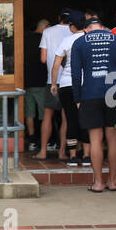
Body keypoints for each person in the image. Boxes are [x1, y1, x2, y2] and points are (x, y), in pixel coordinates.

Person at [70, 11, 116, 191]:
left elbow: (75, 73)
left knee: (95, 139)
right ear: (103, 27)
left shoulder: (79, 42)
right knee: (113, 138)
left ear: (86, 30)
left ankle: (98, 183)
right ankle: (113, 182)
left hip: (90, 93)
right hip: (114, 93)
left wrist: (77, 98)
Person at [35, 10, 74, 159]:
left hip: (52, 80)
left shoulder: (48, 31)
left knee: (47, 116)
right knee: (66, 118)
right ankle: (62, 152)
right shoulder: (73, 33)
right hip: (68, 80)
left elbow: (43, 59)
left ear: (59, 18)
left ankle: (43, 151)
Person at [49, 12, 87, 166]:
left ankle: (72, 156)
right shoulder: (88, 39)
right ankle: (86, 155)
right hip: (86, 85)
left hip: (66, 84)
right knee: (86, 119)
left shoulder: (67, 40)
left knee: (71, 119)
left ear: (72, 26)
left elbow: (56, 64)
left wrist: (53, 84)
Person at [23, 18, 50, 153]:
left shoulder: (24, 38)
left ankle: (32, 139)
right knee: (44, 112)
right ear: (44, 27)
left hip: (26, 81)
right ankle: (42, 139)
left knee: (29, 112)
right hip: (41, 80)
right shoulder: (44, 39)